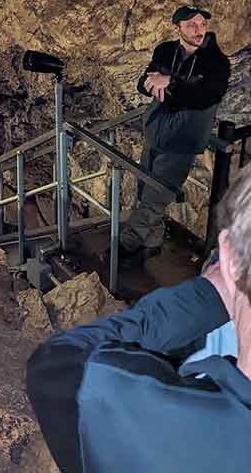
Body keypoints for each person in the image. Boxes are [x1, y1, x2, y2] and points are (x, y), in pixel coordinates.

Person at [27, 165, 251, 473]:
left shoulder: (160, 426)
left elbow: (57, 365)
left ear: (228, 259)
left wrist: (207, 294)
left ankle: (130, 246)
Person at [118, 4, 230, 263]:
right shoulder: (166, 51)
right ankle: (153, 240)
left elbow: (207, 96)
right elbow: (143, 85)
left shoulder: (216, 62)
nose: (198, 29)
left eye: (202, 24)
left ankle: (125, 246)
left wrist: (170, 82)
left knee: (156, 197)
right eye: (191, 24)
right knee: (143, 188)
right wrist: (155, 80)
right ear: (178, 27)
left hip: (183, 138)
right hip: (156, 130)